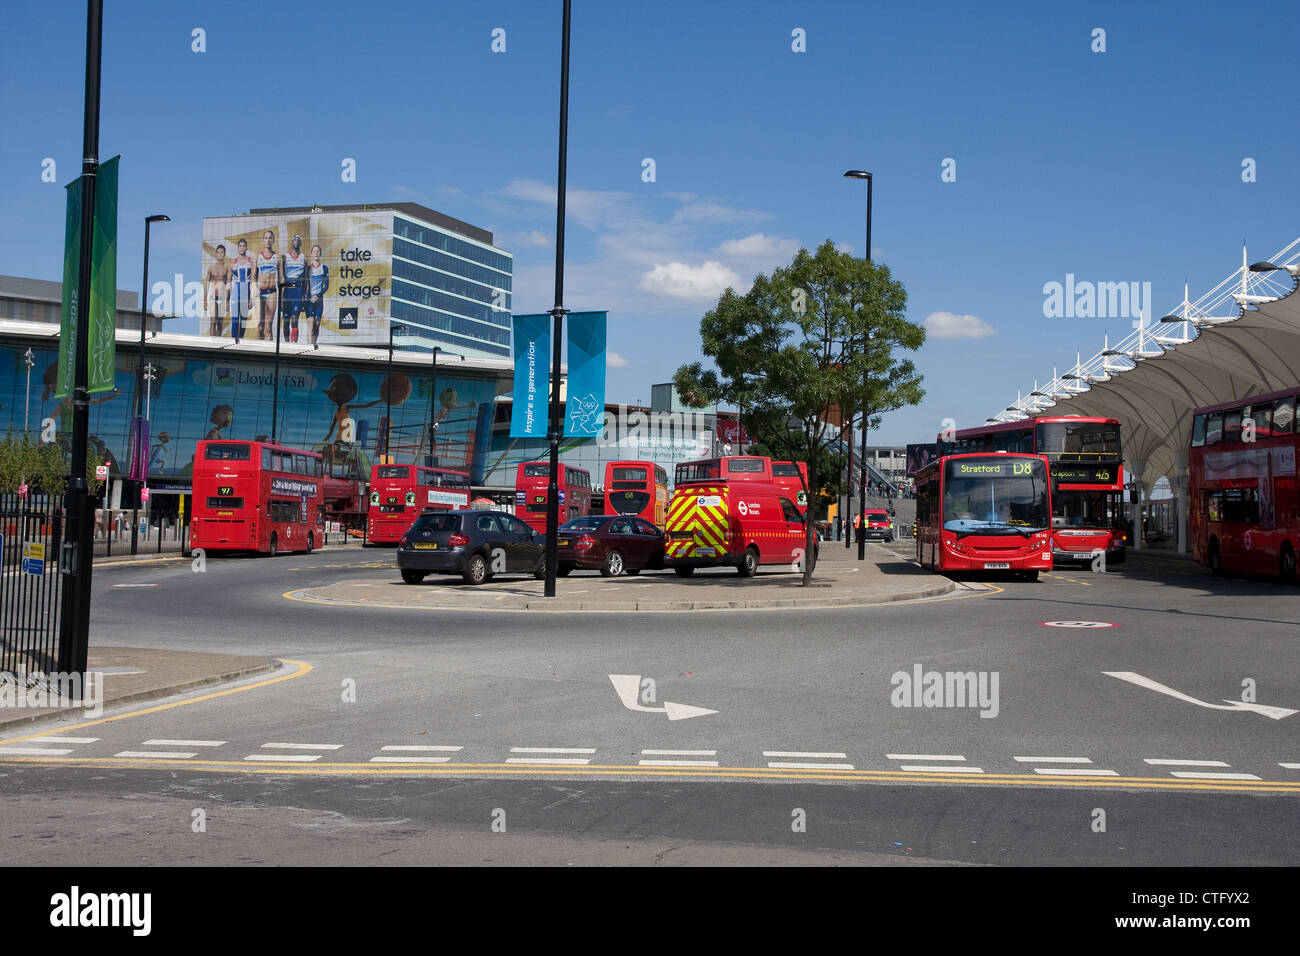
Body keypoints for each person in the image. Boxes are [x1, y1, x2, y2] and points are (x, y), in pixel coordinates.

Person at [255, 230, 281, 340]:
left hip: (272, 292)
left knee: (268, 326)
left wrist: (282, 295)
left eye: (270, 238)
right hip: (260, 292)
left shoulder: (278, 257)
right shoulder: (257, 257)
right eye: (266, 238)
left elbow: (281, 277)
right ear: (263, 240)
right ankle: (258, 353)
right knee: (260, 326)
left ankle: (271, 354)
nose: (268, 240)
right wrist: (254, 293)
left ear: (273, 240)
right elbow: (253, 276)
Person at [282, 234, 308, 343]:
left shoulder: (304, 257)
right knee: (286, 321)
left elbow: (306, 278)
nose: (296, 242)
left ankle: (294, 344)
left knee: (295, 319)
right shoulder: (285, 257)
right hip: (287, 289)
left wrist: (304, 295)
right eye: (294, 240)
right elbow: (281, 276)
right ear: (291, 243)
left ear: (300, 243)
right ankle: (286, 343)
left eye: (298, 240)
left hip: (297, 290)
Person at [228, 237, 253, 343]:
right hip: (236, 292)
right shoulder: (233, 263)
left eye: (244, 246)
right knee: (235, 319)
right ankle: (234, 340)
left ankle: (241, 340)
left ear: (246, 247)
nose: (242, 248)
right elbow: (228, 282)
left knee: (243, 319)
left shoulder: (250, 262)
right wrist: (226, 300)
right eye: (240, 246)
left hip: (246, 292)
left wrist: (251, 298)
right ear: (237, 248)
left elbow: (253, 280)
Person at [204, 244, 230, 336]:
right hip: (212, 297)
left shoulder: (227, 268)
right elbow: (206, 284)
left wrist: (227, 301)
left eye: (222, 252)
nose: (220, 254)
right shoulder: (211, 268)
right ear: (216, 254)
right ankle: (212, 342)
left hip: (222, 298)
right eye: (218, 252)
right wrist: (204, 300)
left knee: (220, 324)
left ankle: (219, 342)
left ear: (224, 254)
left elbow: (228, 285)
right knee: (213, 321)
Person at [306, 243, 329, 346]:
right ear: (311, 254)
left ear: (320, 254)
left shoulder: (324, 268)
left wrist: (317, 296)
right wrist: (309, 297)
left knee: (317, 324)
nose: (316, 253)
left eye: (318, 251)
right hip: (309, 301)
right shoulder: (307, 269)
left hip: (319, 300)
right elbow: (305, 284)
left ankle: (314, 345)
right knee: (310, 325)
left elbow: (326, 286)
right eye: (314, 251)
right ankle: (309, 348)